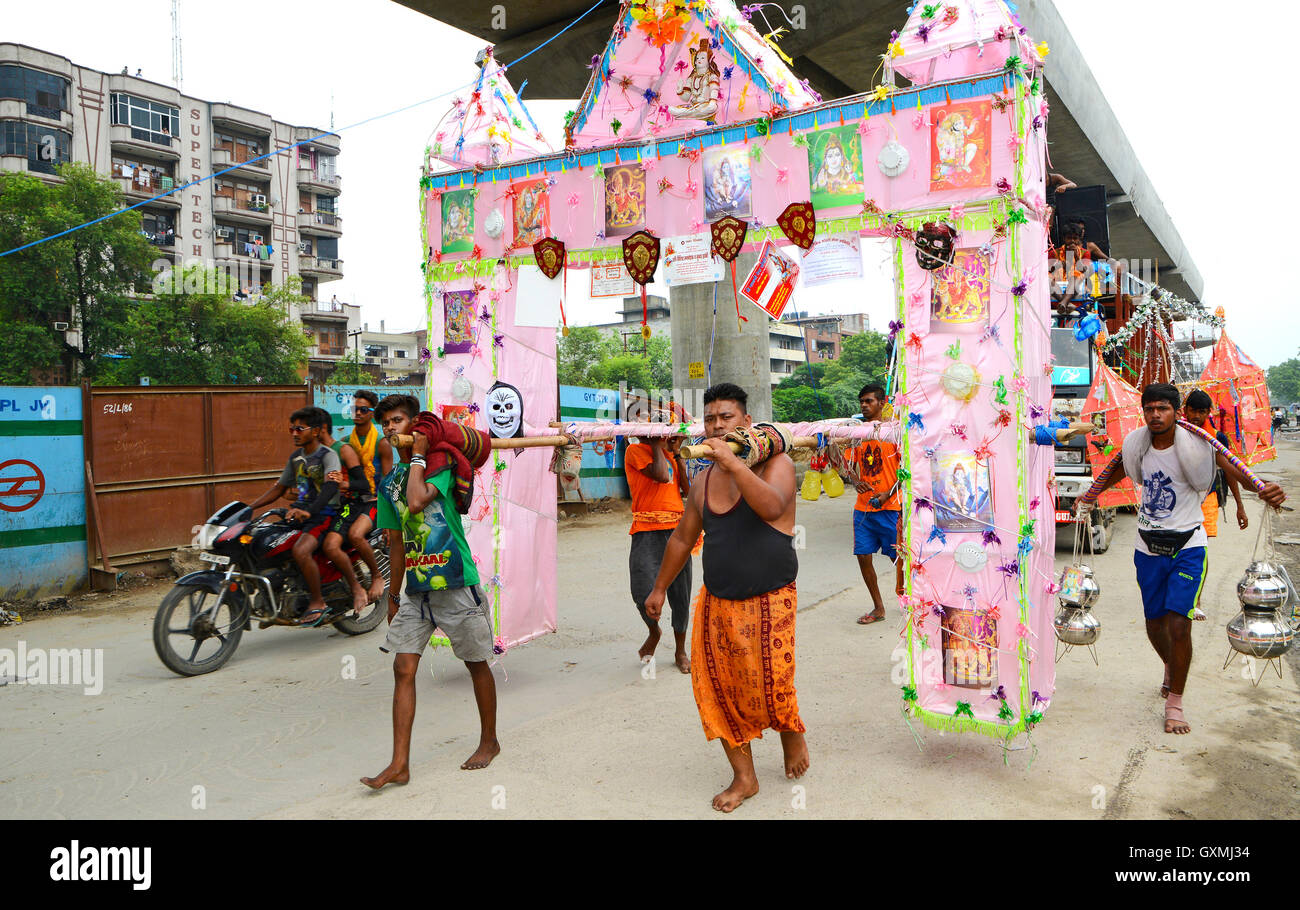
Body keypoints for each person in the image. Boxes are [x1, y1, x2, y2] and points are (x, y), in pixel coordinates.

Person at [1076, 383, 1286, 735]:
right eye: (1149, 409)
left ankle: (1175, 702)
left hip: (1189, 546)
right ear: (1143, 412)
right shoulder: (1137, 446)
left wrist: (1264, 489)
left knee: (1179, 623)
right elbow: (1117, 470)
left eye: (1163, 408)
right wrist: (1092, 494)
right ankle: (1171, 666)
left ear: (1177, 411)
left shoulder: (1201, 445)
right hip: (1147, 548)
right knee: (1154, 623)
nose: (1155, 415)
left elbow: (1239, 472)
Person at [644, 382, 808, 813]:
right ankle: (745, 777)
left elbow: (772, 508)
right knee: (718, 691)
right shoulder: (701, 481)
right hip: (717, 602)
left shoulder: (779, 465)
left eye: (727, 418)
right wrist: (660, 587)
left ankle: (791, 733)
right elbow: (682, 538)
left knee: (774, 687)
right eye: (711, 419)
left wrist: (734, 464)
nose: (717, 426)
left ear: (746, 423)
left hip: (772, 599)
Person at [362, 394, 499, 788]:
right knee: (402, 667)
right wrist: (392, 594)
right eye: (385, 423)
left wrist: (420, 456)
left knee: (475, 664)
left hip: (456, 582)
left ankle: (489, 741)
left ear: (415, 426)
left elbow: (419, 501)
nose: (390, 428)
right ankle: (399, 764)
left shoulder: (439, 463)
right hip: (418, 593)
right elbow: (396, 543)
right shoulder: (390, 483)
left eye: (398, 420)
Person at [247, 407, 341, 621]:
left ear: (316, 431)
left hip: (324, 515)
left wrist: (309, 511)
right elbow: (279, 488)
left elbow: (331, 487)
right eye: (292, 429)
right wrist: (248, 508)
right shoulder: (296, 457)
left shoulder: (329, 455)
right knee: (266, 542)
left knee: (300, 550)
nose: (295, 433)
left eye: (300, 428)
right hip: (299, 514)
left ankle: (318, 602)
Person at [624, 433, 692, 673]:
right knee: (642, 591)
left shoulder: (669, 455)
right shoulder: (634, 451)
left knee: (680, 594)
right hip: (646, 531)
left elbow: (687, 489)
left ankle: (680, 650)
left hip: (677, 530)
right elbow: (662, 476)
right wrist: (655, 446)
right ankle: (654, 632)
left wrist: (676, 453)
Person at [313, 408, 379, 618]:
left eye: (305, 427)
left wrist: (343, 483)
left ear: (321, 429)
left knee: (341, 541)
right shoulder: (313, 455)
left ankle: (368, 581)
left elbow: (362, 485)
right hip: (333, 508)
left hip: (357, 504)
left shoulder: (343, 450)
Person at [846, 384, 903, 626]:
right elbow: (847, 465)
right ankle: (878, 607)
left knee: (898, 558)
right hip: (863, 508)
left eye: (869, 401)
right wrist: (856, 480)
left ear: (882, 402)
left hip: (890, 508)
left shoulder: (895, 432)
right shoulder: (858, 434)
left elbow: (905, 472)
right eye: (861, 401)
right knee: (862, 555)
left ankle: (909, 597)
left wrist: (886, 496)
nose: (864, 405)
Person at [339, 390, 393, 606]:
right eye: (354, 409)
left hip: (374, 502)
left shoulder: (382, 443)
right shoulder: (345, 443)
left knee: (354, 535)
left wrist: (388, 522)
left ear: (372, 414)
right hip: (351, 502)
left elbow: (388, 483)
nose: (358, 413)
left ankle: (377, 576)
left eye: (363, 410)